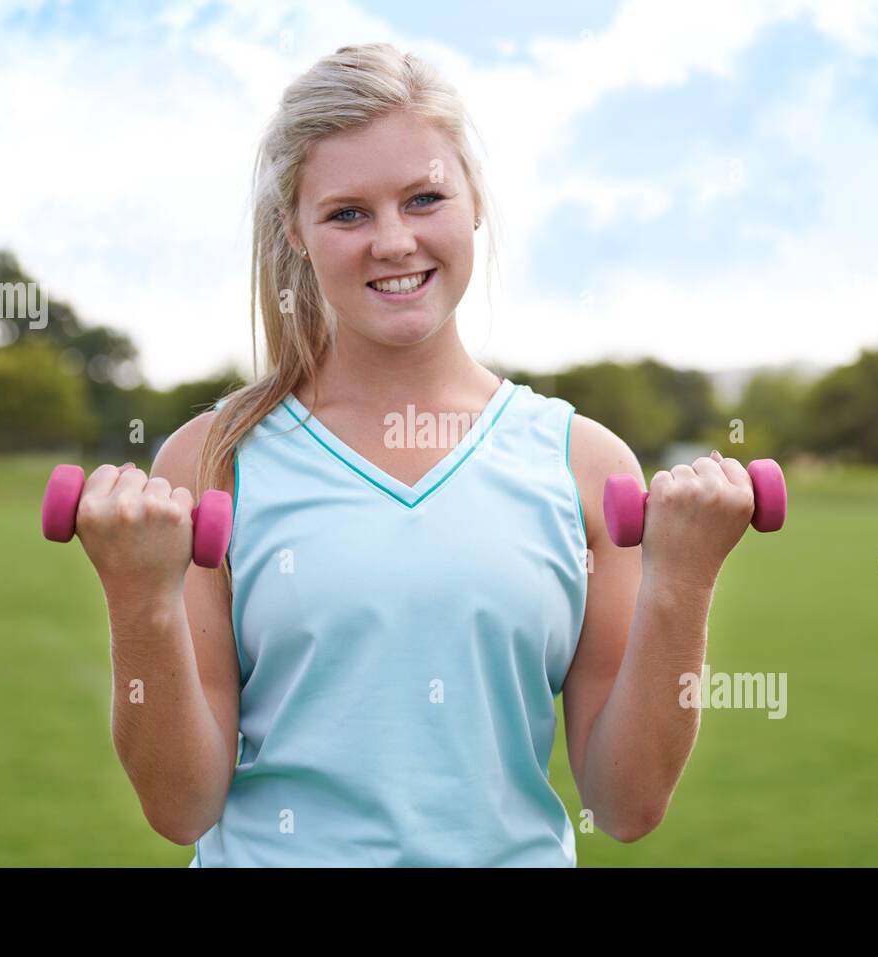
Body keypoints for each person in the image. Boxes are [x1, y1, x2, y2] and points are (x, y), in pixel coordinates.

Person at [73, 42, 757, 867]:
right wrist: (136, 597)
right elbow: (181, 806)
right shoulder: (214, 460)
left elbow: (626, 803)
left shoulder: (584, 465)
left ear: (474, 203)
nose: (393, 241)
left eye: (425, 197)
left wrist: (683, 579)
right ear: (297, 229)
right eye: (348, 212)